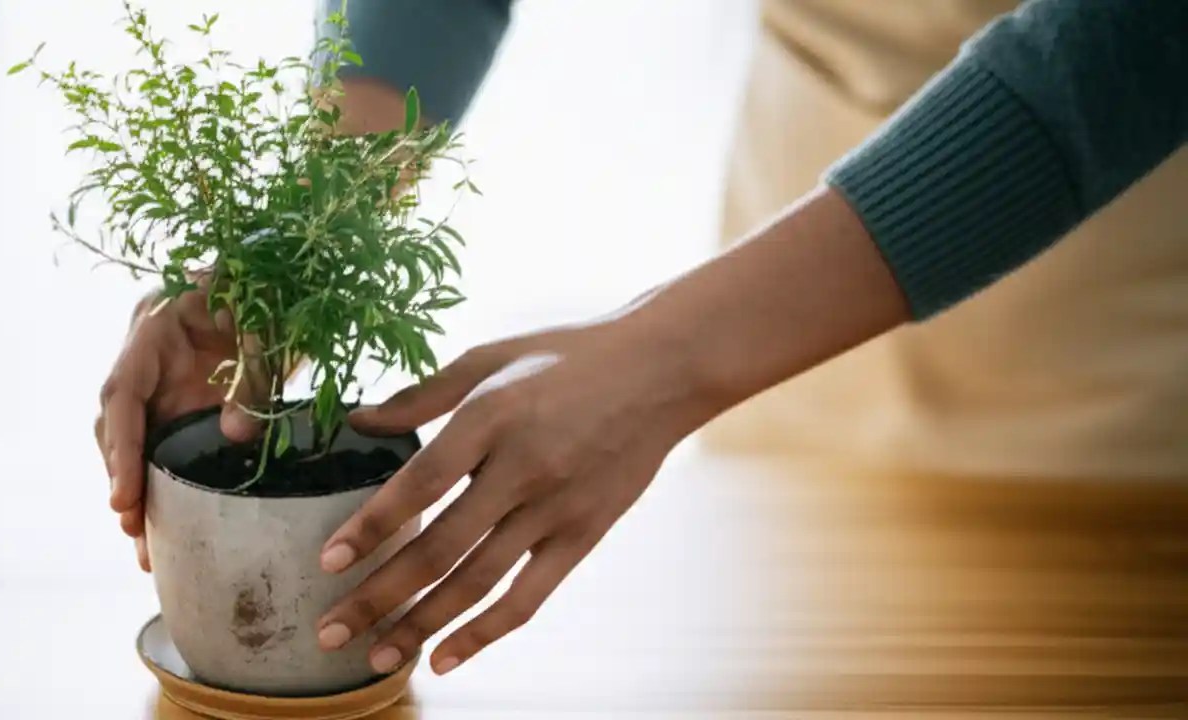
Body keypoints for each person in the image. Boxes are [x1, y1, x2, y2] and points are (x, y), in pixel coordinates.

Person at [94, 0, 1187, 679]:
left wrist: (665, 359)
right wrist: (300, 245)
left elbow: (1125, 44)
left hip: (1115, 408)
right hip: (787, 353)